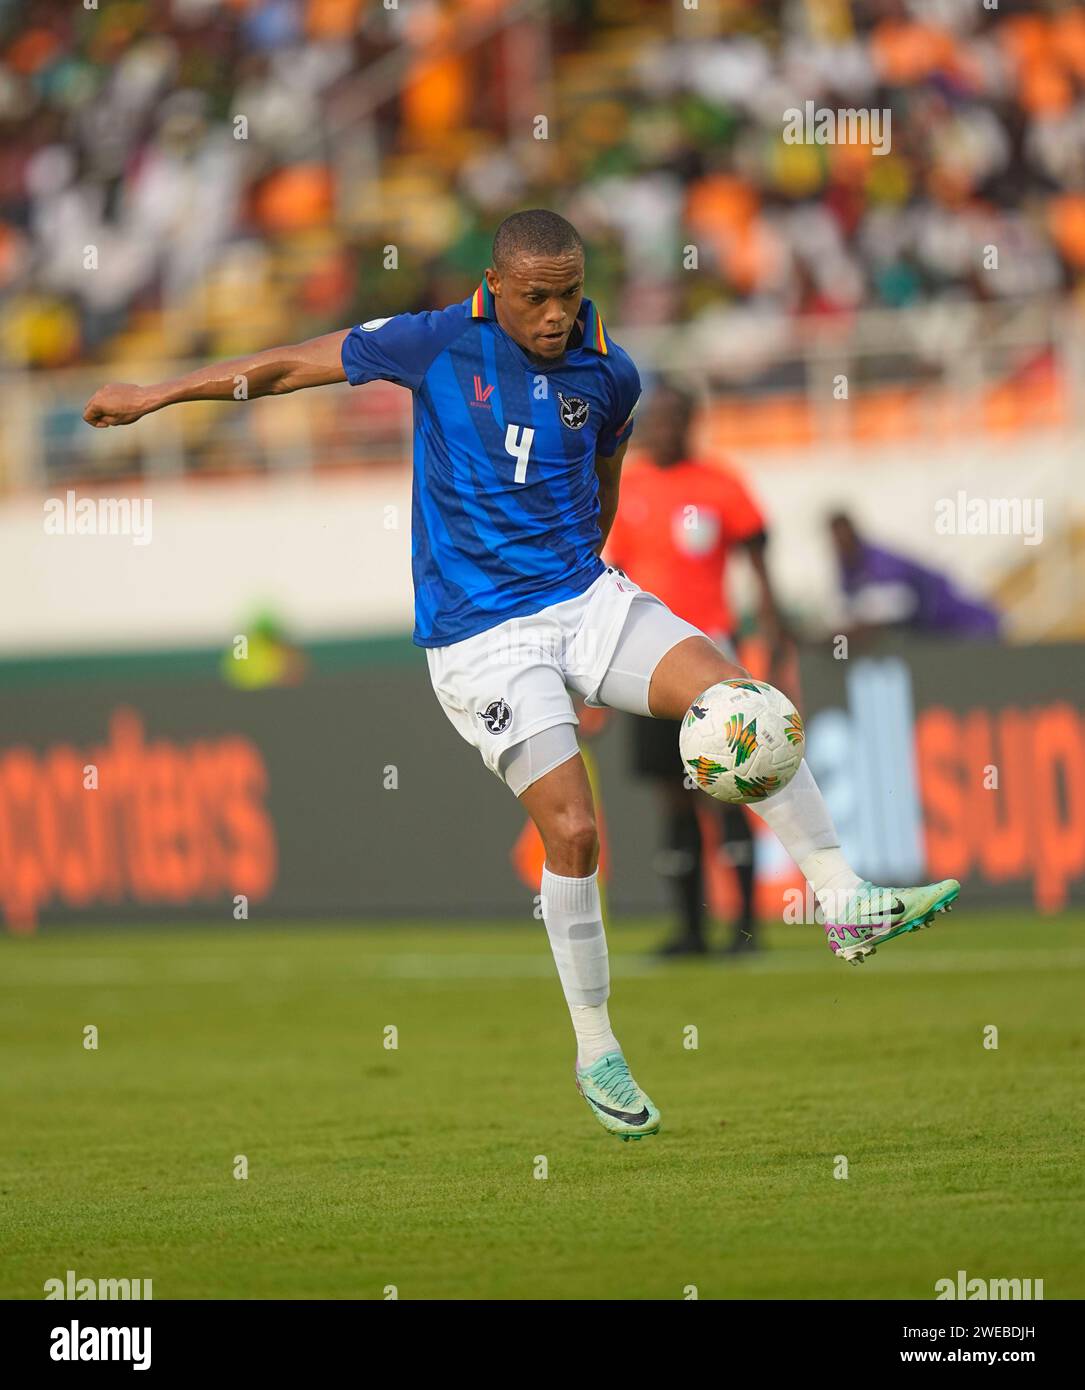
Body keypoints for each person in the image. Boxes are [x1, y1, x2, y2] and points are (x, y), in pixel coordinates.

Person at [84, 209, 959, 1143]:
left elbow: (606, 470)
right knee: (576, 831)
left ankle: (840, 898)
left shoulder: (609, 370)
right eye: (534, 297)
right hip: (480, 637)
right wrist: (158, 394)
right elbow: (292, 365)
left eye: (568, 294)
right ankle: (596, 1049)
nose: (552, 314)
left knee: (743, 701)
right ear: (494, 287)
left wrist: (593, 569)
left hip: (581, 597)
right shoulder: (433, 342)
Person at [606, 383, 788, 958]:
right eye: (655, 419)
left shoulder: (720, 484)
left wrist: (774, 623)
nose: (663, 429)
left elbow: (759, 561)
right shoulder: (625, 487)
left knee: (730, 786)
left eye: (675, 419)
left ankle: (746, 929)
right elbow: (607, 578)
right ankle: (689, 929)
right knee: (673, 795)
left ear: (691, 422)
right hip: (647, 662)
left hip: (711, 656)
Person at [829, 512, 1002, 639]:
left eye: (843, 537)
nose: (840, 543)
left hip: (967, 627)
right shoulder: (847, 571)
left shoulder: (883, 565)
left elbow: (893, 609)